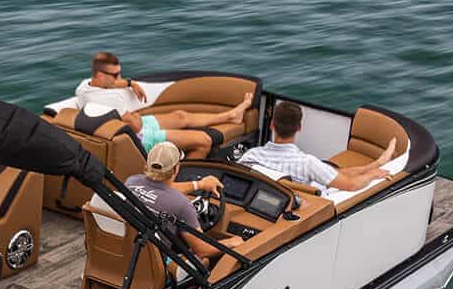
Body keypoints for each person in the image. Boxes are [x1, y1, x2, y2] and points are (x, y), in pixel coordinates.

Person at [75, 51, 251, 159]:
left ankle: (230, 115)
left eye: (119, 74)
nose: (118, 79)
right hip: (138, 138)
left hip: (136, 126)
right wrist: (133, 115)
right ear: (99, 75)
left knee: (181, 116)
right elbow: (135, 126)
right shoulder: (110, 100)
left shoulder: (83, 87)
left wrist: (130, 83)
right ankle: (179, 179)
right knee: (203, 141)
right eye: (114, 75)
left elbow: (115, 87)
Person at [241, 101, 399, 194]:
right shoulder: (306, 163)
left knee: (331, 172)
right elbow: (351, 185)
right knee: (332, 174)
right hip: (312, 196)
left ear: (271, 125)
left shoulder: (251, 156)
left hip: (276, 194)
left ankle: (376, 163)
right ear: (299, 128)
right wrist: (372, 176)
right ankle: (378, 164)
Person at [124, 141, 224, 261]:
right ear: (176, 168)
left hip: (126, 253)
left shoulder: (131, 182)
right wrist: (233, 242)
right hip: (155, 266)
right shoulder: (181, 204)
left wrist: (200, 184)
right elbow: (202, 250)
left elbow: (160, 189)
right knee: (204, 261)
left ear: (148, 164)